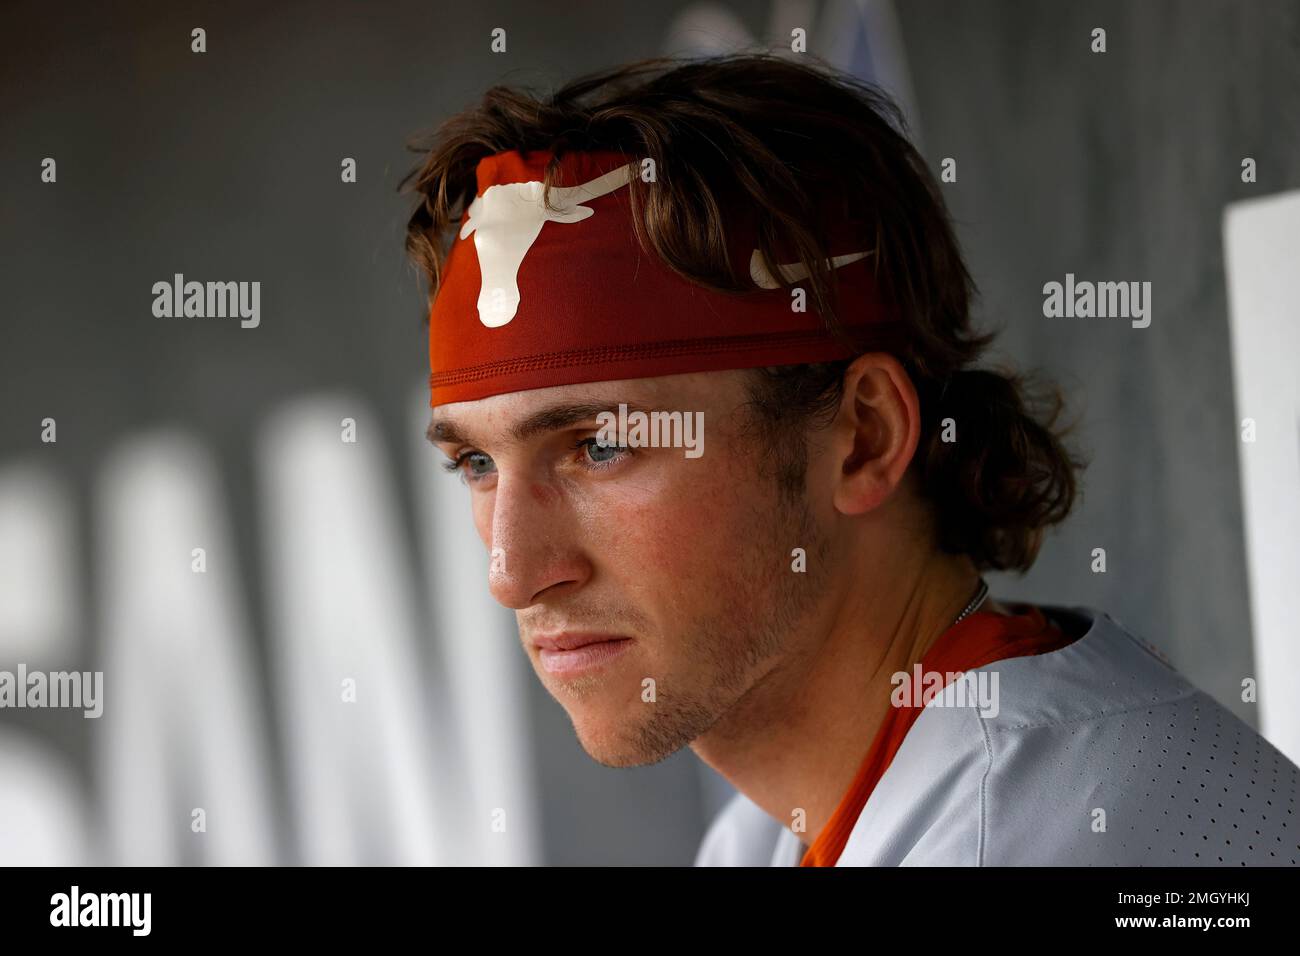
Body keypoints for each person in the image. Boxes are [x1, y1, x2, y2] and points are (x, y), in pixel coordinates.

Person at [400, 52, 1300, 865]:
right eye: (476, 465)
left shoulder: (1044, 838)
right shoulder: (772, 832)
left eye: (599, 446)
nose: (512, 573)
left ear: (863, 436)